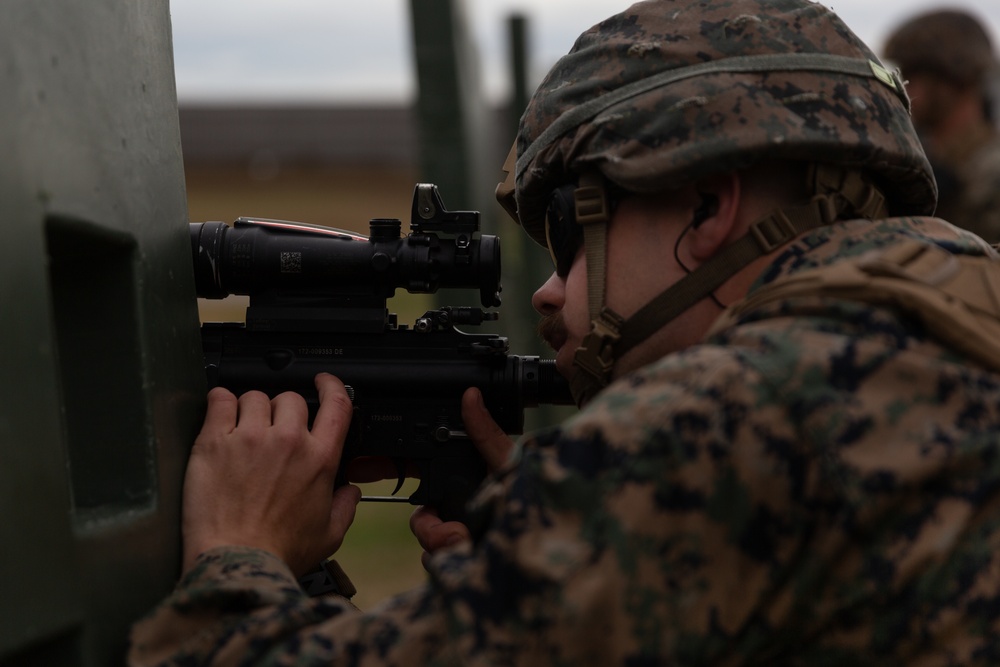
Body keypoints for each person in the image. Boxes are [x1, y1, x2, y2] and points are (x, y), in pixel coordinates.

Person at [130, 0, 1000, 663]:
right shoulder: (961, 313)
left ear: (707, 204)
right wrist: (547, 574)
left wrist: (236, 556)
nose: (550, 292)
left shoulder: (724, 418)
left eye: (572, 231)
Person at [883, 7, 1000, 242]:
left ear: (957, 78)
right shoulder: (918, 160)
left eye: (914, 73)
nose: (905, 85)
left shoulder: (990, 171)